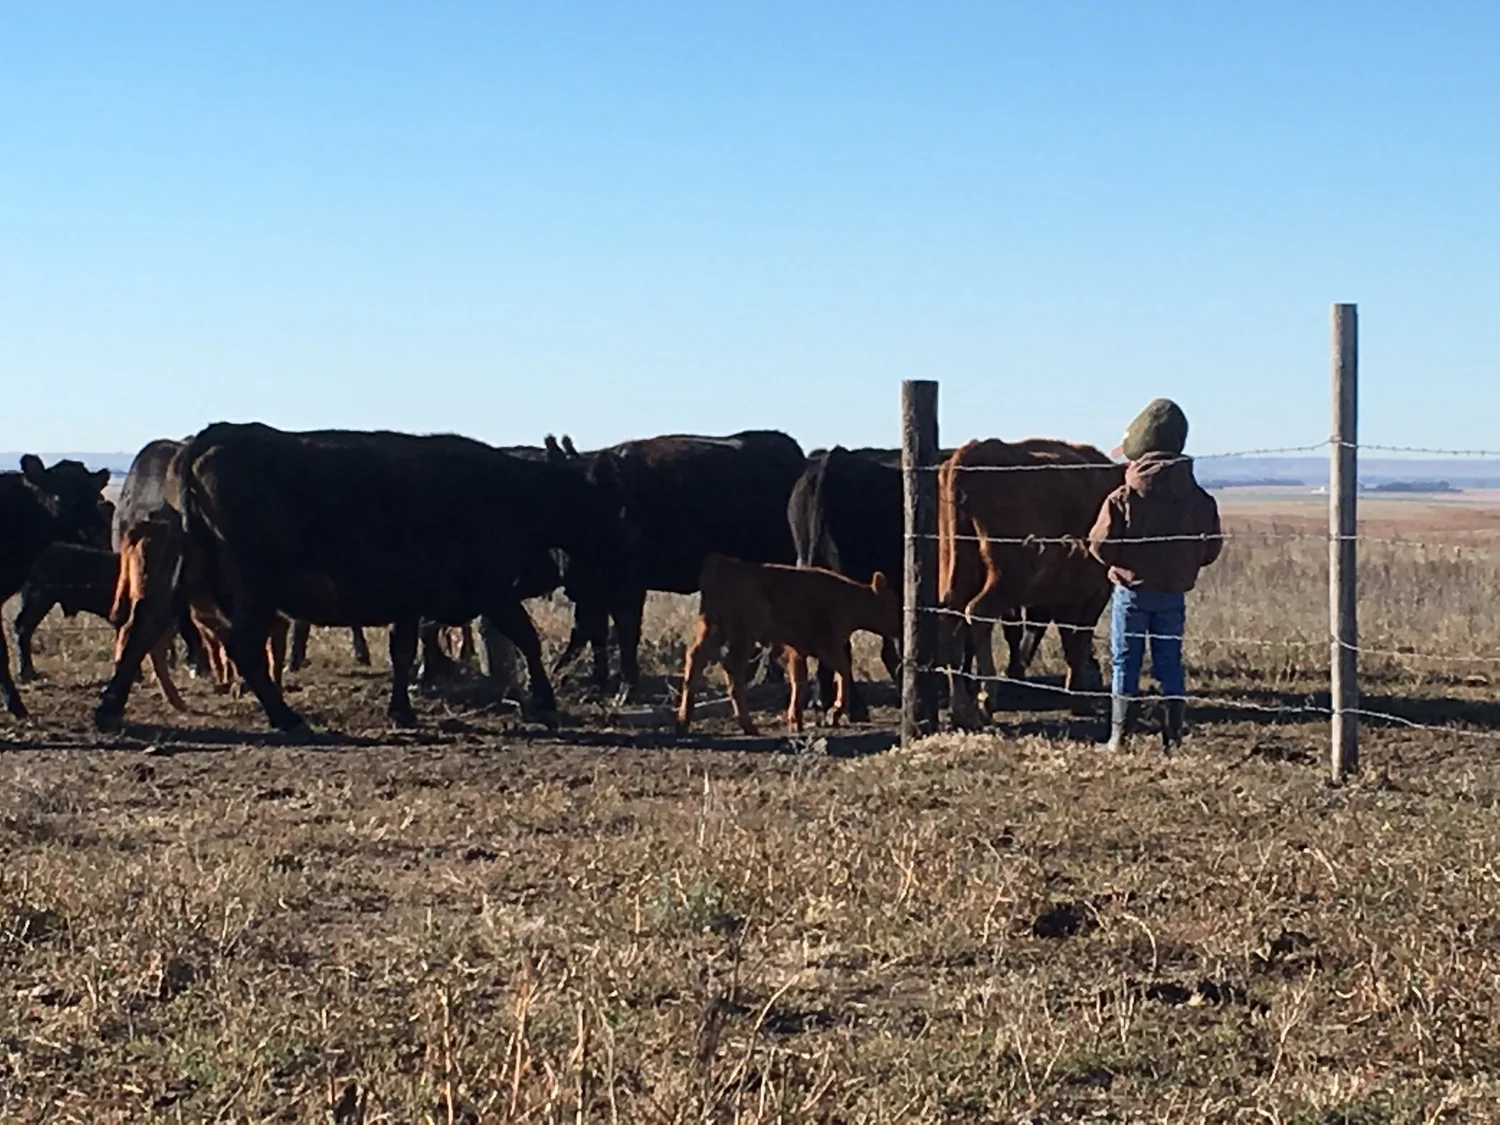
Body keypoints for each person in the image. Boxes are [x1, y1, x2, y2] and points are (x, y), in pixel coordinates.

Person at [1088, 398, 1222, 754]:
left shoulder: (1123, 497)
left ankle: (1119, 738)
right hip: (1173, 592)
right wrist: (1184, 565)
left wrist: (1122, 564)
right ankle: (1173, 740)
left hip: (1131, 591)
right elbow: (1211, 548)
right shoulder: (1199, 499)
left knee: (1124, 661)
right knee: (1169, 662)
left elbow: (1099, 545)